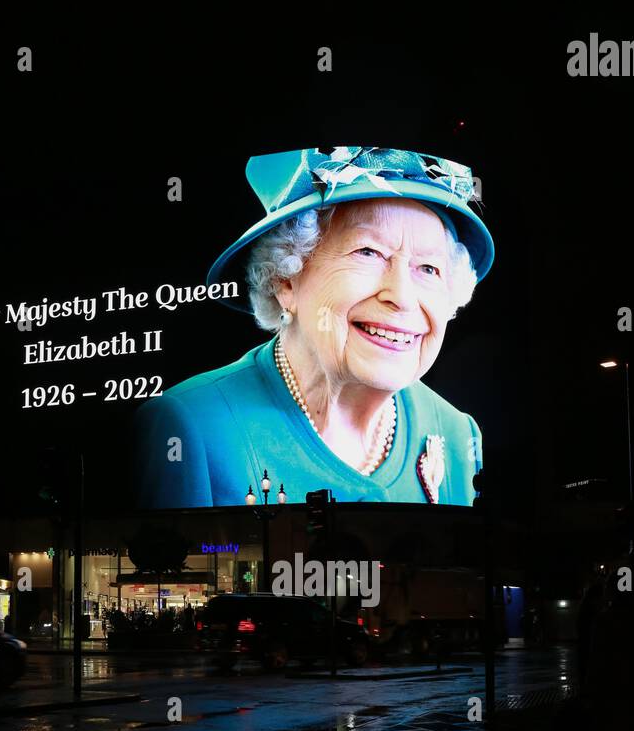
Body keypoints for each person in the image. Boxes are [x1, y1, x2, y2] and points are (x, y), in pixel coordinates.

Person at [135, 146, 494, 508]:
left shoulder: (456, 433)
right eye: (367, 252)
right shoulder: (192, 428)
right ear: (285, 280)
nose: (401, 297)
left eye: (429, 269)